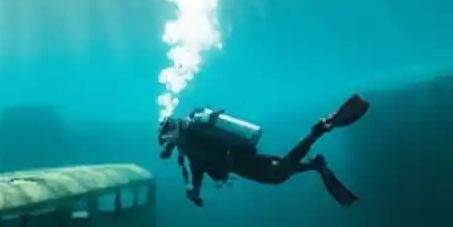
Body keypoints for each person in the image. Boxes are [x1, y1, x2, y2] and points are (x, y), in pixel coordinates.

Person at [157, 94, 370, 207]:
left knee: (277, 172)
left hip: (240, 158)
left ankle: (319, 130)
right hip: (244, 162)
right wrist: (194, 192)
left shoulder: (194, 134)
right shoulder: (189, 148)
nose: (169, 140)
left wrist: (194, 191)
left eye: (169, 133)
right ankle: (314, 163)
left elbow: (201, 165)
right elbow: (197, 170)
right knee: (277, 174)